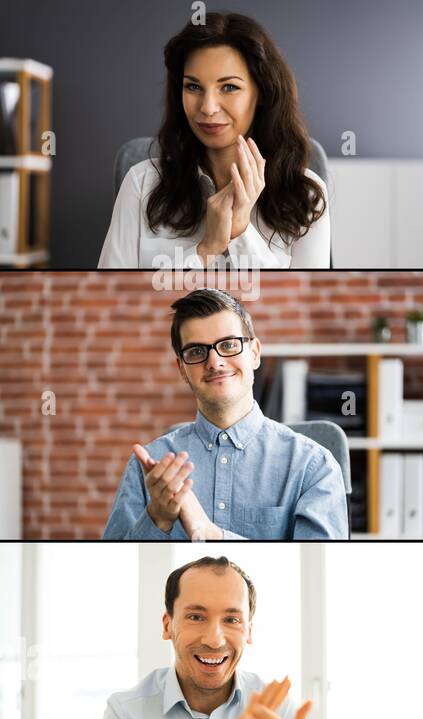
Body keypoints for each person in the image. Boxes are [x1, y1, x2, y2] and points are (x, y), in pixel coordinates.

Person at [81, 556, 354, 719]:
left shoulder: (275, 708)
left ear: (248, 631)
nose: (214, 639)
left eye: (232, 620)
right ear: (167, 625)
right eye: (196, 617)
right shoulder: (127, 711)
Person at [102, 288, 348, 540]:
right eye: (197, 351)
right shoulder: (147, 468)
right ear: (182, 369)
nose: (214, 362)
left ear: (254, 353)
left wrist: (212, 534)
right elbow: (113, 564)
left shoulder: (313, 465)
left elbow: (317, 563)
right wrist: (157, 519)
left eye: (229, 345)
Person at [98, 12, 329, 268]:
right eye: (193, 87)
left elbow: (299, 296)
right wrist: (205, 251)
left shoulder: (307, 196)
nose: (207, 108)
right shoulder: (141, 184)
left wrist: (240, 231)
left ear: (262, 92)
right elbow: (115, 292)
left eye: (229, 87)